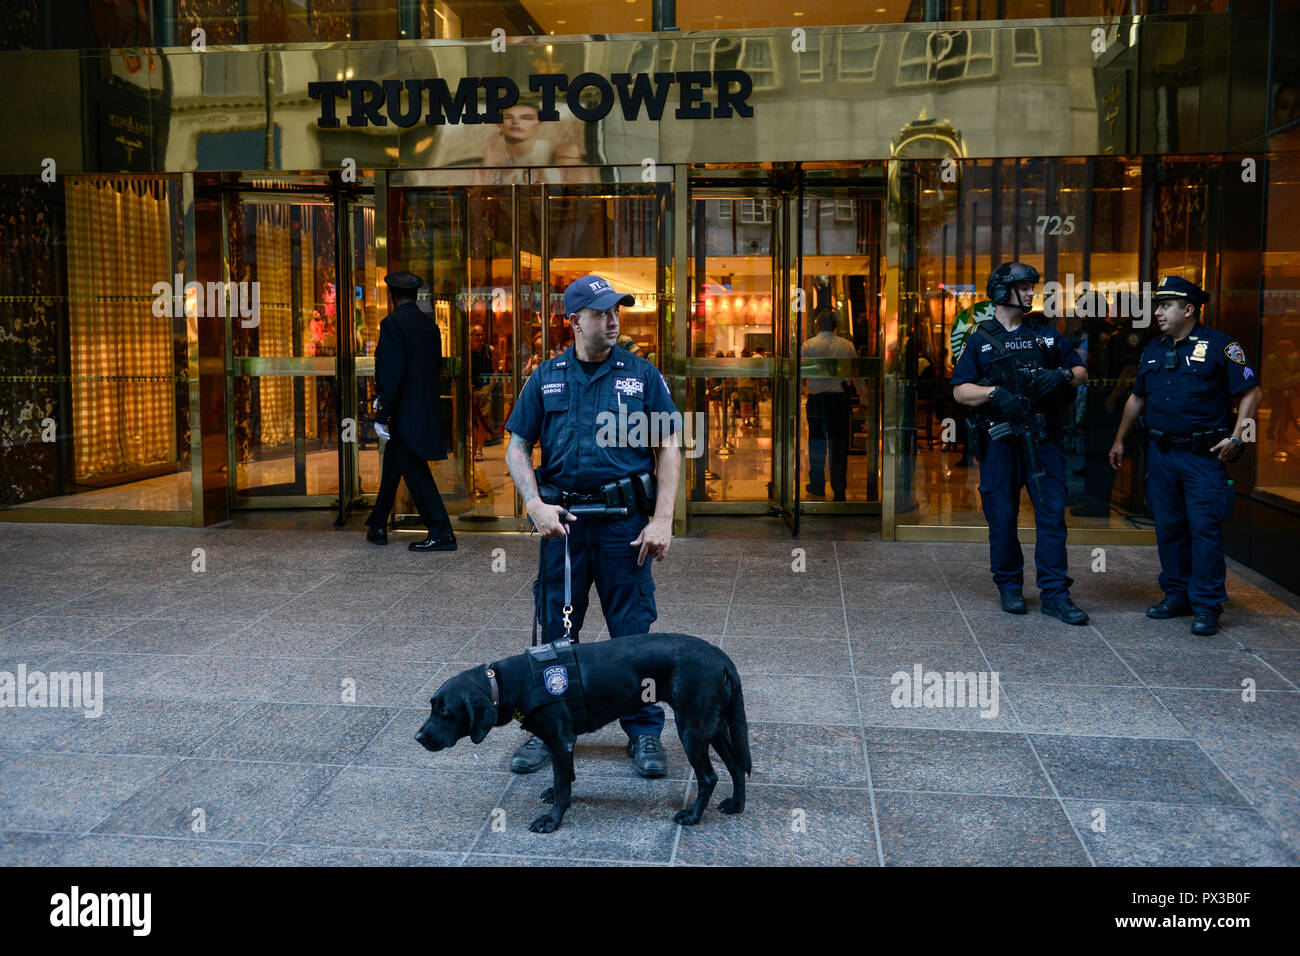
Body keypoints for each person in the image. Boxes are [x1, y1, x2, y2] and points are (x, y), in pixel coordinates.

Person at [503, 274, 682, 778]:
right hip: (563, 527)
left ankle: (645, 733)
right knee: (557, 633)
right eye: (601, 312)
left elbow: (668, 445)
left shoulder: (642, 376)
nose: (613, 319)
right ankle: (547, 728)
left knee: (632, 635)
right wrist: (534, 504)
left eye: (616, 311)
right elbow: (518, 444)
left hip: (624, 528)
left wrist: (662, 520)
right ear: (574, 321)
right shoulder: (547, 376)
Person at [1107, 275, 1262, 636]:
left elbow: (1251, 393)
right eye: (1158, 305)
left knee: (1204, 530)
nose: (1158, 312)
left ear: (1189, 309)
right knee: (1169, 528)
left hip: (1203, 456)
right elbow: (1138, 397)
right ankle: (1176, 595)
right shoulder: (1154, 349)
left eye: (1166, 306)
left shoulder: (1222, 346)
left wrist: (1238, 438)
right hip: (1161, 454)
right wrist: (1119, 440)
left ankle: (1207, 605)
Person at [951, 262, 1090, 623]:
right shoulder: (980, 340)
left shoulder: (1045, 335)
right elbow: (961, 392)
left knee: (1051, 515)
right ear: (1002, 291)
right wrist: (994, 393)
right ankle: (1009, 587)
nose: (1031, 293)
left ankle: (1056, 594)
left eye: (1031, 287)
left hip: (1042, 438)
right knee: (1001, 515)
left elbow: (1081, 373)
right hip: (1000, 441)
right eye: (1024, 287)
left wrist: (1059, 375)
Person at [365, 272, 456, 552]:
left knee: (415, 472)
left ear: (392, 295)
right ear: (415, 295)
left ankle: (441, 532)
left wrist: (382, 413)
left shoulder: (392, 324)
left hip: (404, 410)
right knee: (395, 464)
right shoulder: (430, 326)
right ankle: (378, 522)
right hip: (425, 407)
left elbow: (393, 372)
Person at [801, 309, 860, 500]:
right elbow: (855, 374)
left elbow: (801, 372)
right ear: (835, 326)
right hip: (839, 400)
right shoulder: (847, 345)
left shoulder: (808, 345)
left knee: (817, 443)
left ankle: (817, 485)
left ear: (817, 325)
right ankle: (839, 488)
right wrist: (864, 397)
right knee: (839, 445)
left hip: (817, 400)